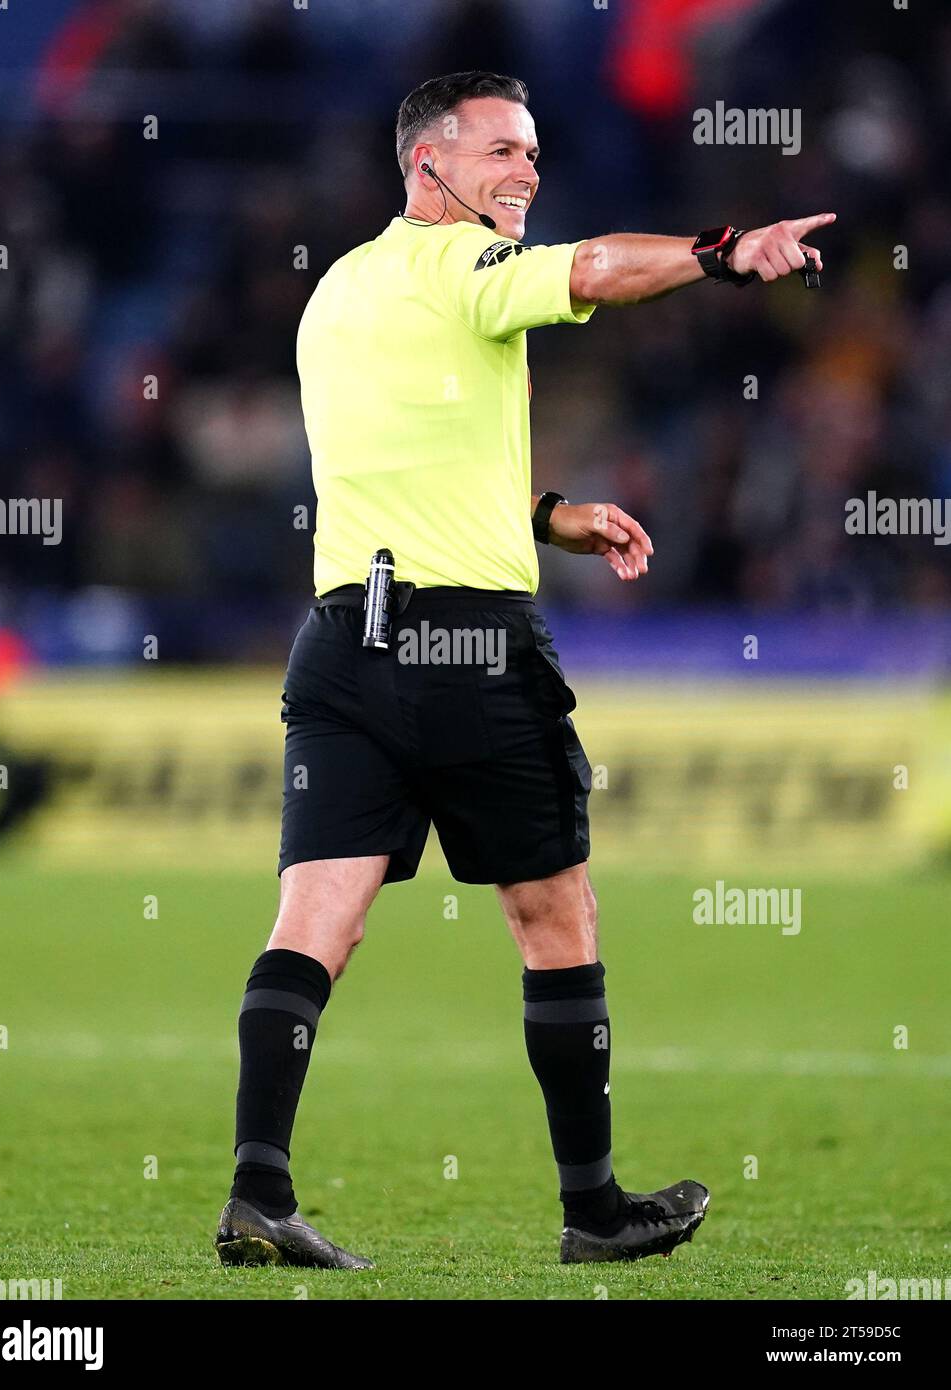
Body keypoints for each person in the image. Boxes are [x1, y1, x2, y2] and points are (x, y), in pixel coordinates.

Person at [214, 70, 834, 1269]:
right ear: (426, 165)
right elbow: (596, 268)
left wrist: (549, 513)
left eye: (536, 154)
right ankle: (595, 1211)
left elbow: (406, 457)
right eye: (503, 150)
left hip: (343, 642)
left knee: (314, 925)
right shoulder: (473, 271)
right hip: (469, 649)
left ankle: (258, 1190)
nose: (528, 174)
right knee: (556, 917)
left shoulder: (337, 292)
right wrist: (725, 249)